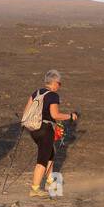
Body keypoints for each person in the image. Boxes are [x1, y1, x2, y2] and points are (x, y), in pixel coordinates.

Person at [26, 69, 78, 197]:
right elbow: (55, 114)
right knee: (42, 159)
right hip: (45, 129)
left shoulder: (36, 93)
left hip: (33, 129)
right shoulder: (53, 95)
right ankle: (35, 189)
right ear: (54, 82)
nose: (59, 86)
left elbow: (26, 113)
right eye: (59, 83)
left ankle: (50, 181)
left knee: (51, 153)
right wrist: (70, 116)